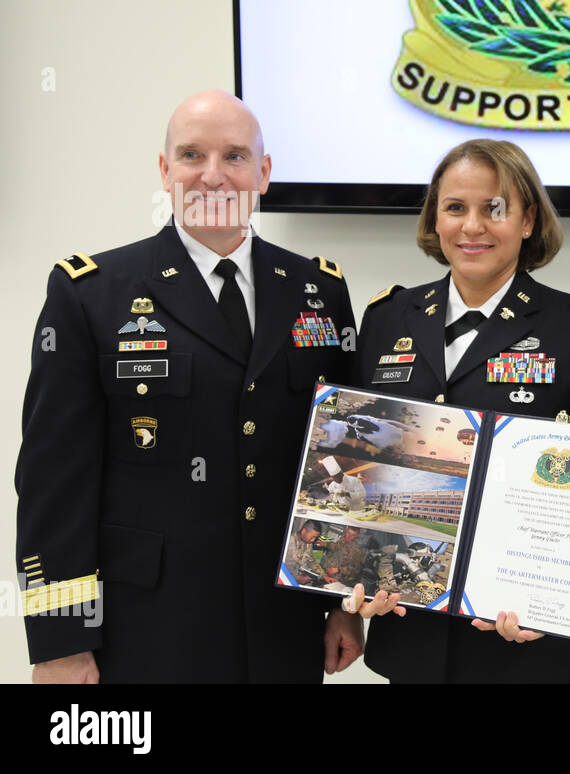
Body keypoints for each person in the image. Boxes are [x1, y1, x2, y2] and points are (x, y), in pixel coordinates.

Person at [15, 90, 363, 683]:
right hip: (147, 625)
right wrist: (59, 640)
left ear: (264, 172)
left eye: (234, 156)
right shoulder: (92, 293)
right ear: (164, 170)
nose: (212, 175)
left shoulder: (319, 290)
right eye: (191, 155)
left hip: (283, 624)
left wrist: (340, 603)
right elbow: (54, 482)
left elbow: (340, 460)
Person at [355, 138, 570, 683]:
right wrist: (360, 575)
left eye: (495, 208)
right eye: (456, 208)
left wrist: (537, 592)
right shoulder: (386, 318)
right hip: (413, 634)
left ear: (528, 220)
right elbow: (358, 454)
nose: (472, 226)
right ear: (435, 219)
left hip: (527, 643)